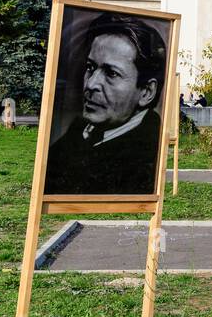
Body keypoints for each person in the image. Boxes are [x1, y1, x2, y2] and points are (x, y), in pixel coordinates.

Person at [44, 13, 166, 194]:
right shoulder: (80, 131)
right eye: (90, 68)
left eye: (112, 73)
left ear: (146, 92)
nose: (91, 84)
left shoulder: (146, 155)